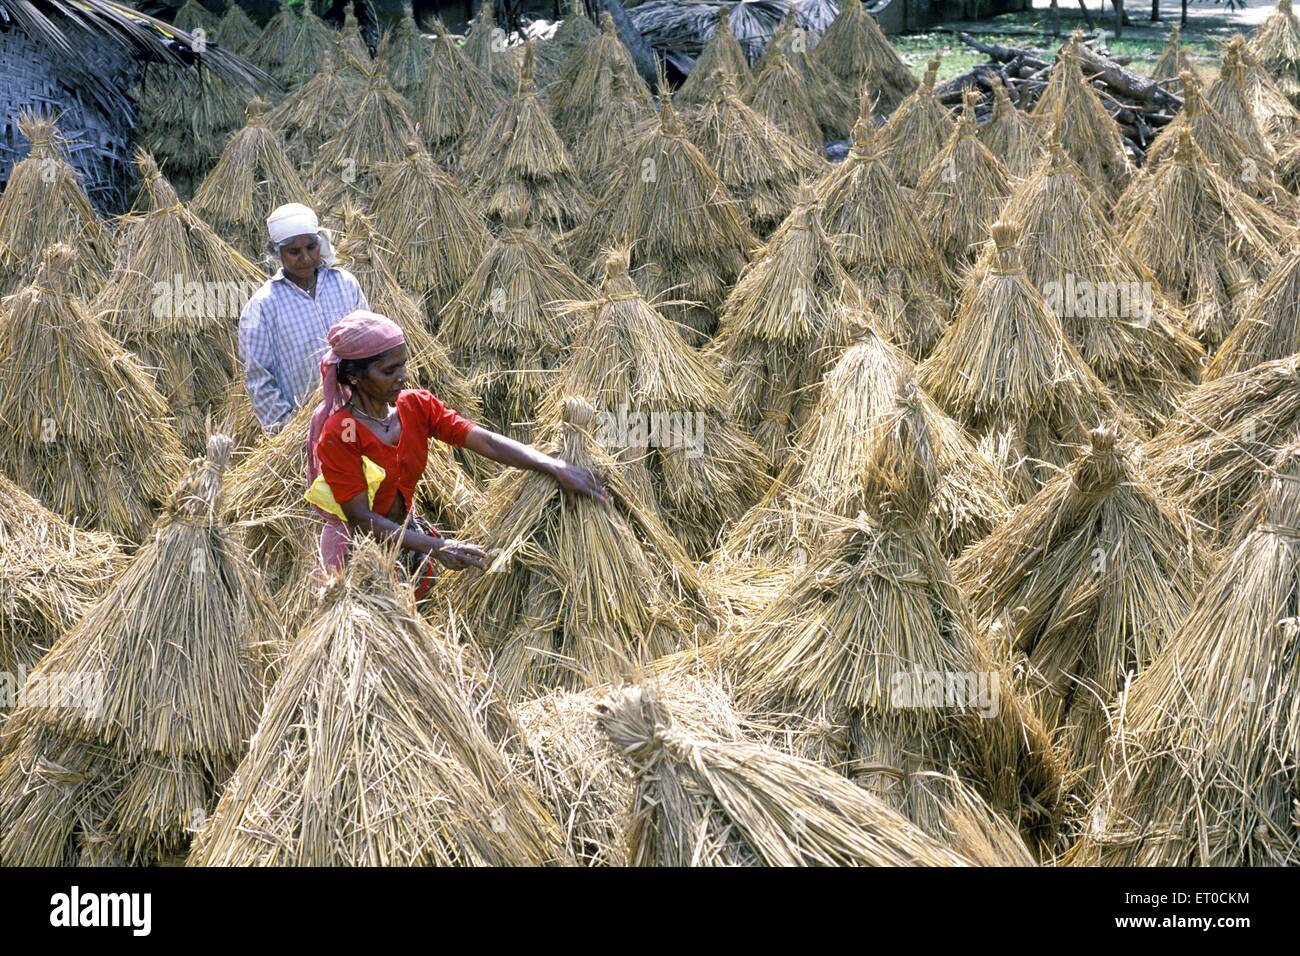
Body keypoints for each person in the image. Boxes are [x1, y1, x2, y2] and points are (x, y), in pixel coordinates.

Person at [307, 310, 609, 579]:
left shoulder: (416, 406)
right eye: (389, 371)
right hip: (361, 555)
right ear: (353, 377)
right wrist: (437, 546)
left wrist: (553, 465)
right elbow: (361, 518)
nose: (403, 377)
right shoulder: (342, 432)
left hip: (407, 538)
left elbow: (484, 441)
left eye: (403, 366)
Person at [238, 203, 368, 434]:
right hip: (306, 429)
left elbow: (370, 342)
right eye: (294, 252)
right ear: (275, 251)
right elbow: (259, 379)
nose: (306, 258)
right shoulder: (262, 306)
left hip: (360, 414)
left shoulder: (345, 284)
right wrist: (288, 429)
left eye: (311, 247)